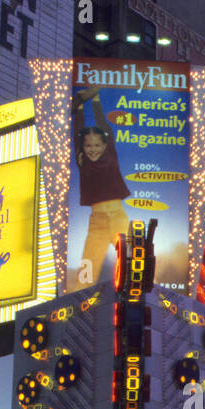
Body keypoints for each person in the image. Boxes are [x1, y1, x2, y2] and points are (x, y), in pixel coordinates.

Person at [71, 86, 131, 282]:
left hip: (117, 218)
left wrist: (95, 101)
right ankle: (84, 307)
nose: (92, 150)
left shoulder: (110, 156)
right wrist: (79, 108)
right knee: (86, 270)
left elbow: (104, 127)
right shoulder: (82, 160)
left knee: (129, 264)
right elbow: (77, 134)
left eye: (97, 145)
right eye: (88, 146)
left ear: (105, 145)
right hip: (96, 221)